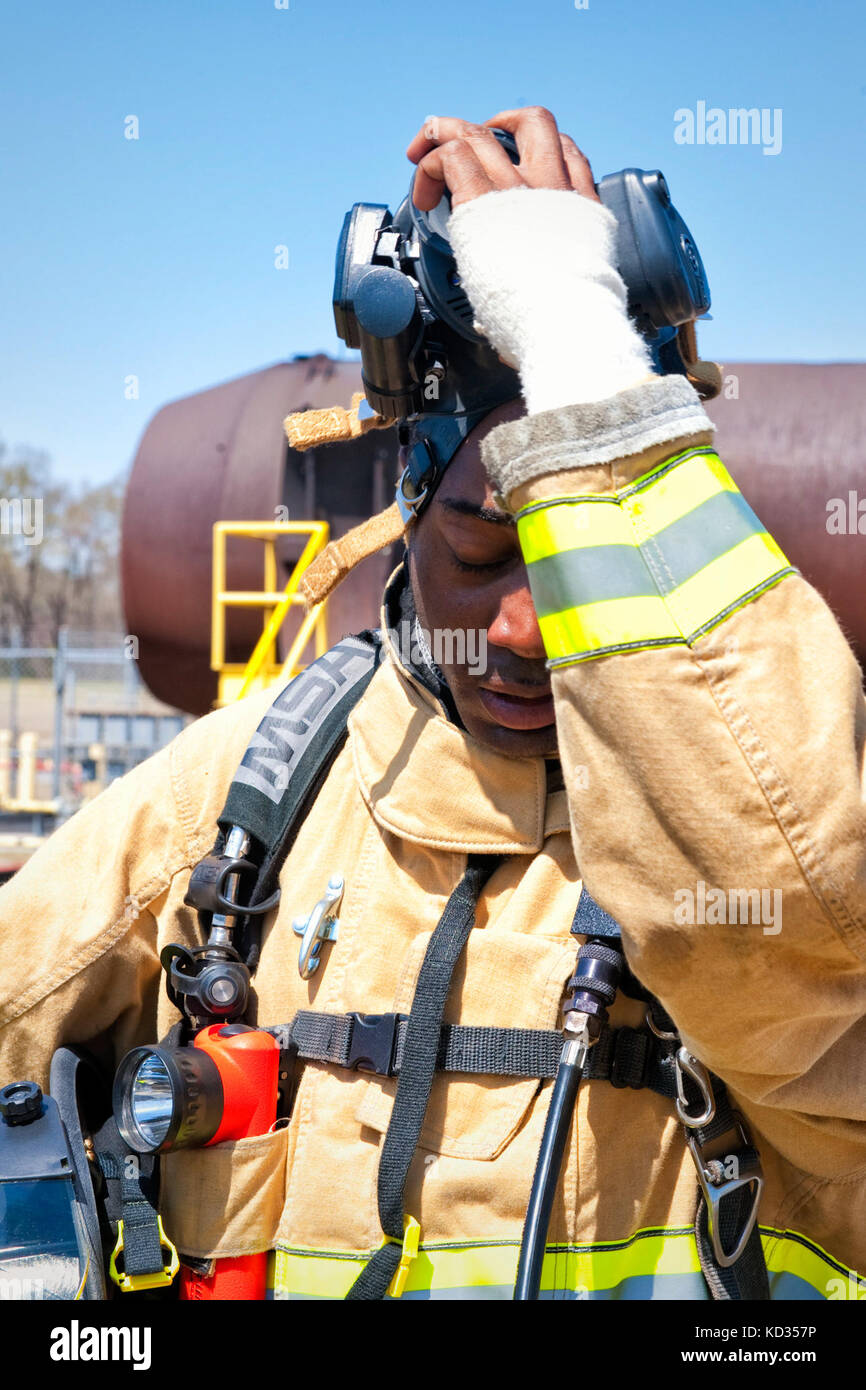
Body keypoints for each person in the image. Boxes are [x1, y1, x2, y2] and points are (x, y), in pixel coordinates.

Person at [1, 107, 864, 1302]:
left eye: (565, 560)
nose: (517, 628)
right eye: (478, 549)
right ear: (405, 507)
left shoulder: (731, 851)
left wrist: (579, 352)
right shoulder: (256, 790)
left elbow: (790, 881)